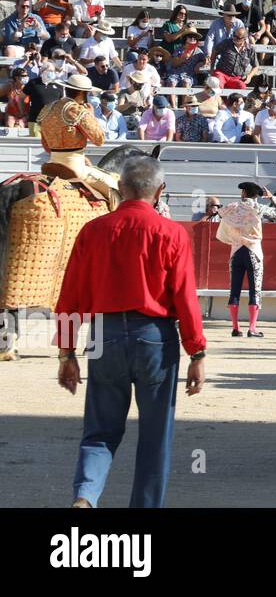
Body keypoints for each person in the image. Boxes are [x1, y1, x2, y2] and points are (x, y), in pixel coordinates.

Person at [55, 155, 205, 509]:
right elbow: (185, 298)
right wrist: (196, 353)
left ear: (120, 189)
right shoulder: (172, 233)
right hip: (155, 336)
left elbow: (70, 298)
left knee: (100, 431)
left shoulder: (93, 230)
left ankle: (85, 496)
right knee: (155, 438)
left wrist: (66, 353)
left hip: (103, 335)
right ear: (160, 191)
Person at [215, 180, 276, 338]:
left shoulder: (232, 206)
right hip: (253, 252)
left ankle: (235, 328)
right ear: (257, 195)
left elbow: (219, 214)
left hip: (236, 251)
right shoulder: (259, 207)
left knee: (234, 290)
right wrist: (273, 198)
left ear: (243, 193)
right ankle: (252, 328)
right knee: (255, 290)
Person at [37, 74, 119, 204]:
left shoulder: (47, 108)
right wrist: (91, 115)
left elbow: (47, 147)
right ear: (81, 93)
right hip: (75, 169)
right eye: (87, 93)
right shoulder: (77, 109)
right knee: (115, 187)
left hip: (51, 165)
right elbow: (99, 139)